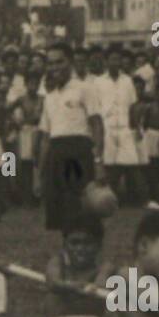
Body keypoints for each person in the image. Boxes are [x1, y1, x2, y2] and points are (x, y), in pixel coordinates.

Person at [38, 41, 103, 231]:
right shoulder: (49, 96)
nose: (54, 67)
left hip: (79, 152)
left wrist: (98, 162)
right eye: (50, 63)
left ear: (71, 62)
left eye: (59, 62)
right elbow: (45, 138)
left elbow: (97, 125)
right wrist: (39, 172)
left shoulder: (85, 88)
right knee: (57, 209)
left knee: (80, 208)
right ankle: (68, 251)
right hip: (56, 153)